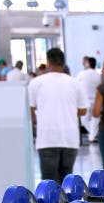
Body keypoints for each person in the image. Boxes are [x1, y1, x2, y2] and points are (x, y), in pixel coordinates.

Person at [28, 47, 88, 182]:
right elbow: (83, 110)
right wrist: (69, 110)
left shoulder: (36, 82)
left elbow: (31, 109)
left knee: (49, 183)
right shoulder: (75, 83)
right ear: (63, 62)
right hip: (70, 138)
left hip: (47, 138)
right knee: (66, 181)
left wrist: (40, 118)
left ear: (48, 62)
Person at [78, 56, 101, 143]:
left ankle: (92, 134)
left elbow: (77, 85)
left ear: (88, 64)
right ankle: (92, 136)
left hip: (85, 100)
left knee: (84, 119)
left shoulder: (82, 74)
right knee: (95, 119)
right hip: (96, 100)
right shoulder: (98, 75)